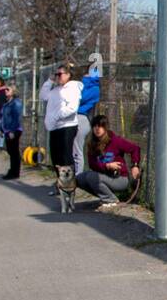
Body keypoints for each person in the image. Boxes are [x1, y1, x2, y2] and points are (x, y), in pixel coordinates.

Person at [75, 114, 141, 209]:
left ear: (105, 128)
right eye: (95, 126)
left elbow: (135, 149)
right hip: (104, 176)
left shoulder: (115, 141)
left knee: (92, 177)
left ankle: (111, 199)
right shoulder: (92, 144)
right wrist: (107, 166)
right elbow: (92, 164)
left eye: (101, 126)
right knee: (80, 178)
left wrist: (135, 165)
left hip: (120, 178)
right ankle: (106, 196)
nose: (97, 129)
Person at [40, 62, 83, 196]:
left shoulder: (73, 88)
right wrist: (49, 80)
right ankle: (61, 184)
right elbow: (43, 96)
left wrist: (57, 117)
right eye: (56, 74)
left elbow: (72, 108)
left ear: (68, 75)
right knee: (56, 158)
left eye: (60, 74)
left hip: (67, 126)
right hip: (55, 127)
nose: (58, 77)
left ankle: (69, 187)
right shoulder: (55, 90)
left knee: (65, 157)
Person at [72, 67, 100, 176]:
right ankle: (72, 173)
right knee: (71, 148)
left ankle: (78, 175)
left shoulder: (94, 88)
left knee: (77, 148)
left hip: (82, 118)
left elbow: (80, 98)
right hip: (73, 117)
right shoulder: (83, 85)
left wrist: (86, 80)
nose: (86, 75)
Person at [0, 85, 23, 179]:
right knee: (10, 151)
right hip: (7, 130)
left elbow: (17, 118)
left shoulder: (16, 103)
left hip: (14, 130)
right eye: (5, 89)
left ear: (13, 91)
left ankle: (14, 172)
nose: (6, 91)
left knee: (14, 152)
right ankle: (13, 170)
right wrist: (2, 129)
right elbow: (3, 117)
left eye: (8, 89)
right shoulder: (7, 103)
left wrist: (13, 131)